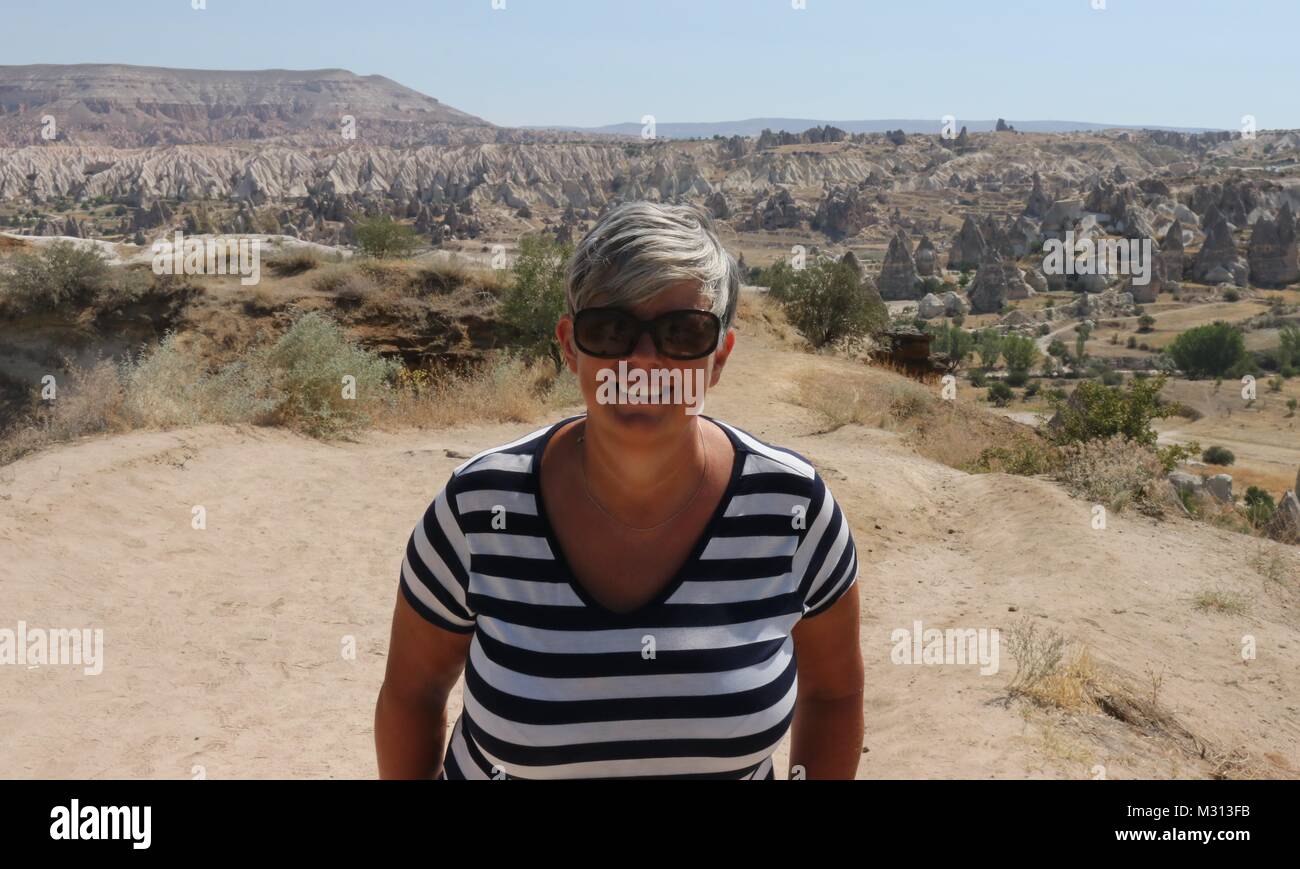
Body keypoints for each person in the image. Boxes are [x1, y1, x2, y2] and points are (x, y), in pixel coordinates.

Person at [375, 201, 863, 779]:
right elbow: (413, 692)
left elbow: (833, 694)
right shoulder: (478, 510)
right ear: (570, 347)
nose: (643, 361)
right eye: (610, 330)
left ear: (719, 357)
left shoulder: (794, 511)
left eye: (682, 333)